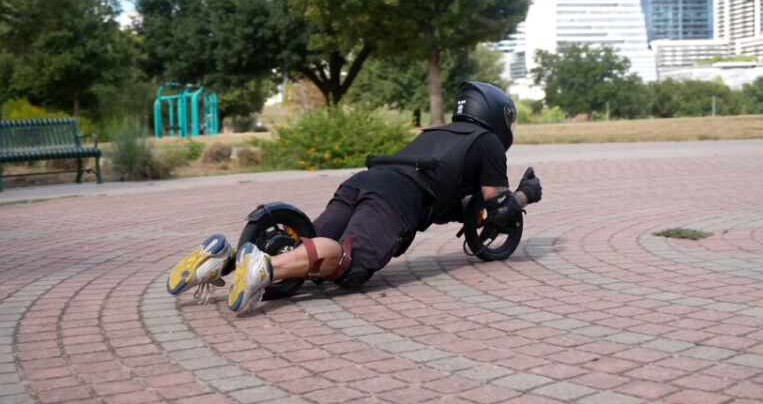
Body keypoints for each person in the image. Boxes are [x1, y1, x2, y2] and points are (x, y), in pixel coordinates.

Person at [167, 81, 542, 313]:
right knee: (349, 264)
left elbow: (461, 207)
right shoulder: (488, 141)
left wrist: (469, 212)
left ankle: (225, 258)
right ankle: (266, 270)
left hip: (364, 182)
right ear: (496, 114)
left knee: (308, 245)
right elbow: (498, 209)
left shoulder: (437, 132)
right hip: (395, 201)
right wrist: (526, 194)